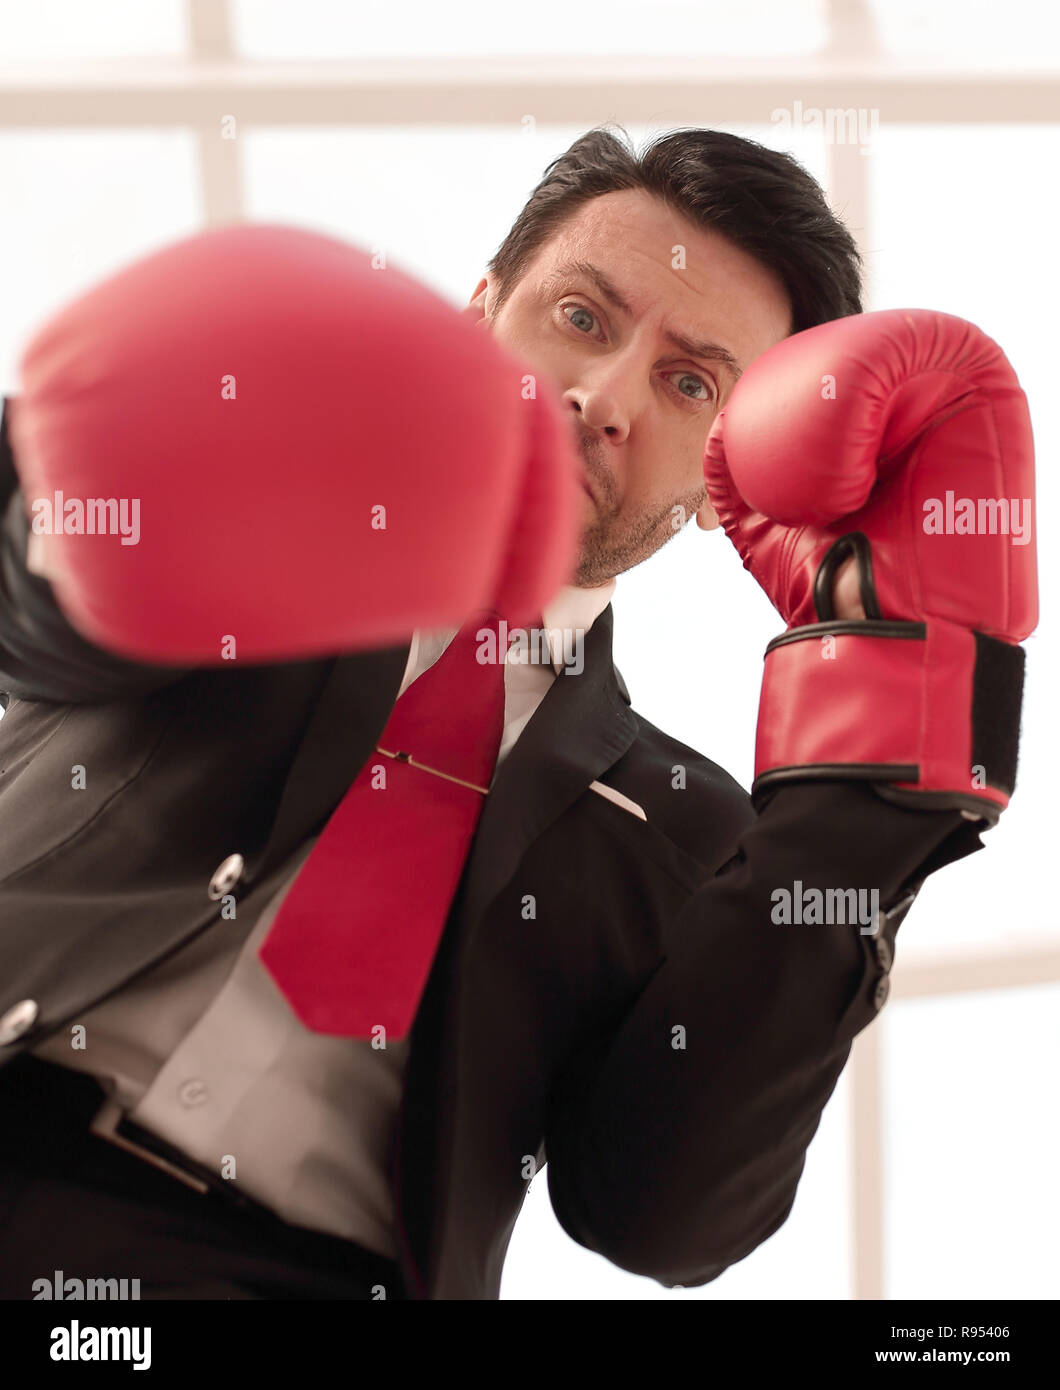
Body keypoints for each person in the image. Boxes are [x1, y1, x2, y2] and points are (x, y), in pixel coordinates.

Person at [0, 125, 1036, 1300]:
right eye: (584, 318)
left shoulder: (701, 832)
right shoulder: (264, 551)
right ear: (479, 310)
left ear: (727, 473)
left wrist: (878, 740)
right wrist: (108, 479)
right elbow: (33, 599)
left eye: (690, 382)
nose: (602, 399)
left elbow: (662, 1215)